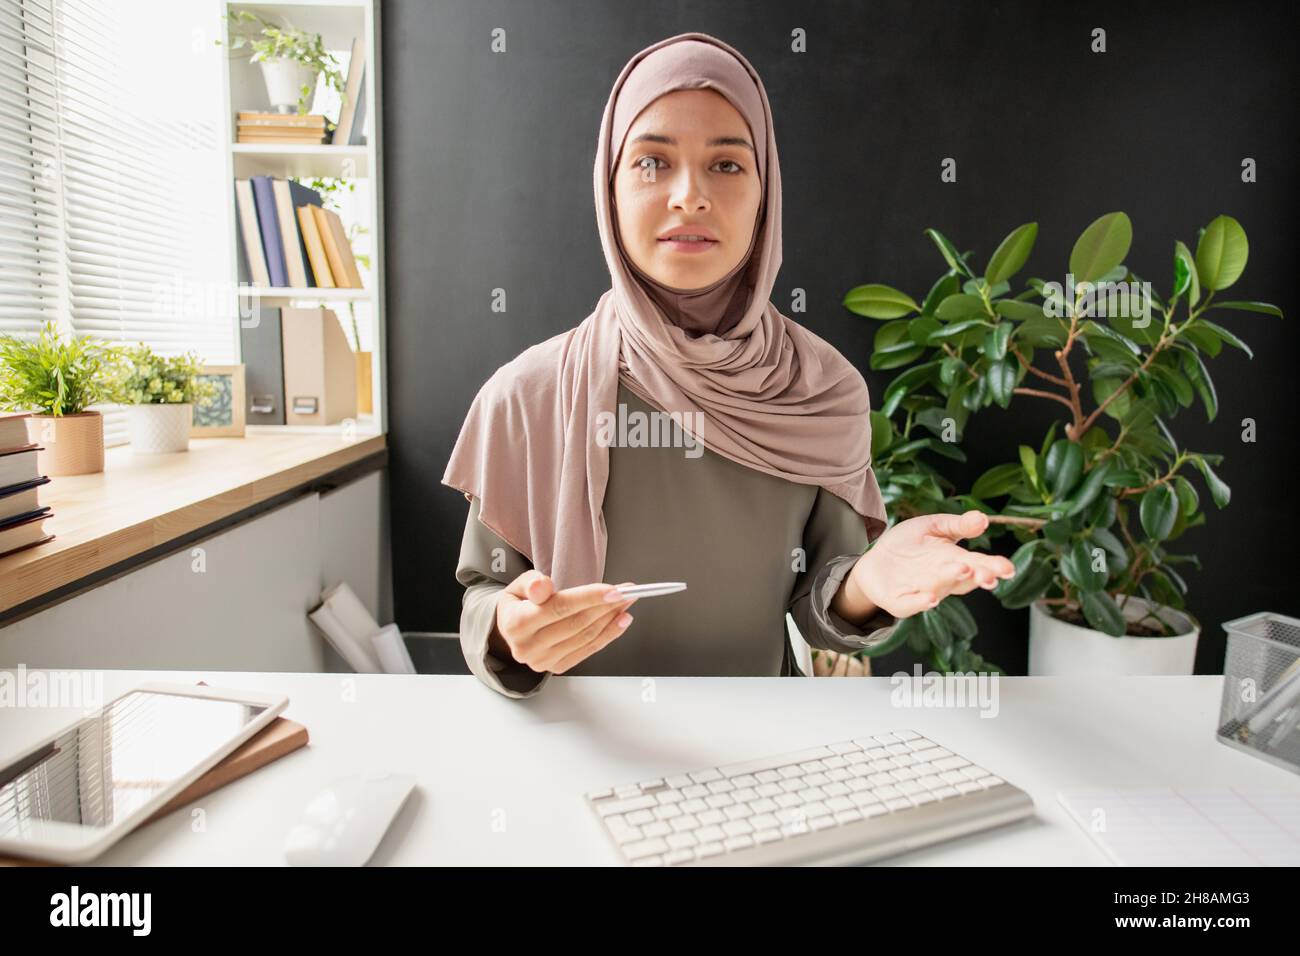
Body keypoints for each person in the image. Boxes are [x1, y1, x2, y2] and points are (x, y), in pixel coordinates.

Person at [443, 32, 1014, 699]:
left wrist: (872, 586)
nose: (689, 195)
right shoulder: (528, 395)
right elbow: (484, 597)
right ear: (610, 189)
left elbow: (822, 598)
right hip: (583, 745)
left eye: (727, 165)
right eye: (652, 162)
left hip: (761, 752)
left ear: (765, 193)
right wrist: (510, 632)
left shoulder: (820, 389)